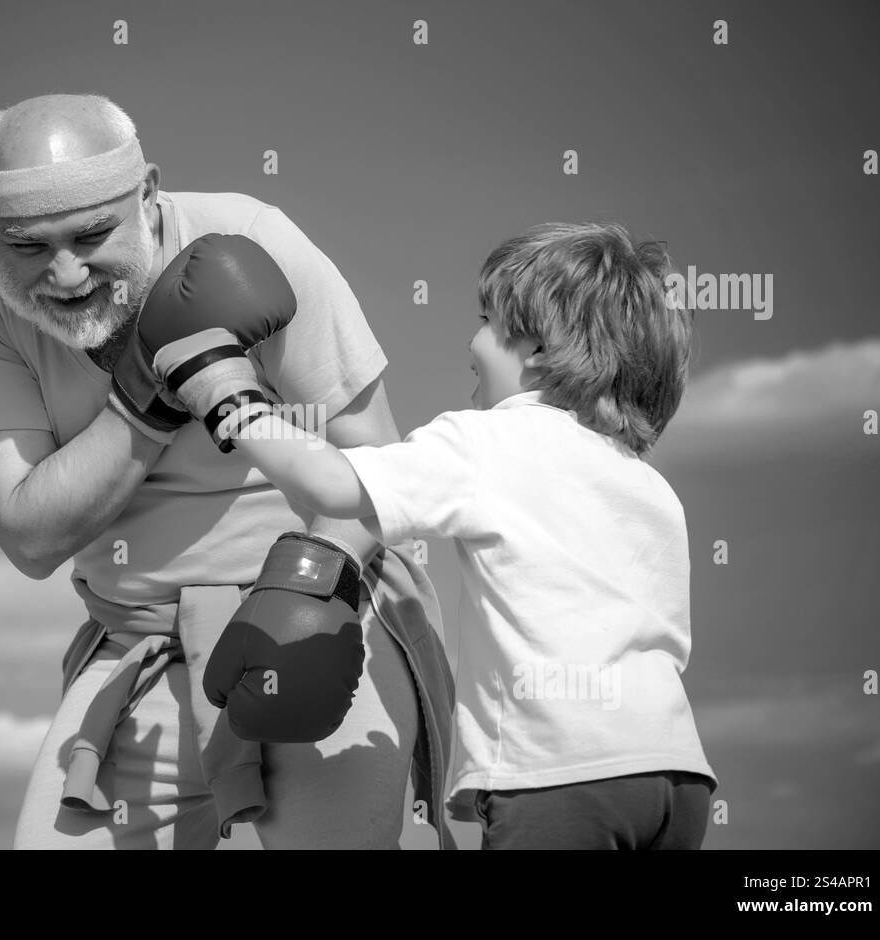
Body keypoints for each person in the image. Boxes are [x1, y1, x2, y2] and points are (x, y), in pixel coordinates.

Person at [0, 93, 455, 849]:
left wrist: (307, 592)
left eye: (91, 234)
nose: (68, 273)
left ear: (148, 190)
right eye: (26, 247)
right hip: (139, 647)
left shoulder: (252, 238)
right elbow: (30, 536)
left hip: (322, 620)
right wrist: (151, 386)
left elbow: (378, 463)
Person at [165, 222, 719, 849]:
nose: (471, 339)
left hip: (560, 774)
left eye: (486, 320)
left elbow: (334, 484)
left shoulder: (491, 441)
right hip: (678, 776)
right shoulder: (648, 487)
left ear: (537, 348)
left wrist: (228, 398)